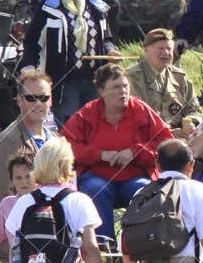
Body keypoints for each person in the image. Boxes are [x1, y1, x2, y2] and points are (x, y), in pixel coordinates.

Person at [62, 63, 169, 239]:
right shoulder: (87, 114)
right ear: (101, 91)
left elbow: (166, 143)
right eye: (116, 87)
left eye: (125, 86)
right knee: (97, 189)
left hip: (134, 177)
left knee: (142, 190)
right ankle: (105, 250)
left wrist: (135, 152)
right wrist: (99, 155)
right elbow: (65, 146)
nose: (123, 91)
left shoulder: (141, 110)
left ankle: (141, 246)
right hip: (96, 177)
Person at [21, 0, 112, 119]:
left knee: (95, 120)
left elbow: (106, 39)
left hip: (94, 79)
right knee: (69, 122)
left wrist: (111, 51)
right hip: (63, 81)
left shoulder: (96, 6)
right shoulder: (48, 8)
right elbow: (32, 41)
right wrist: (29, 67)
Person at [0, 68, 57, 205]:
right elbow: (2, 197)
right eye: (31, 98)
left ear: (50, 101)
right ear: (19, 100)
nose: (38, 104)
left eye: (44, 98)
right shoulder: (8, 141)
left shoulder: (56, 139)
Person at [126, 28, 202, 138]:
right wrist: (166, 132)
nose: (165, 53)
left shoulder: (180, 77)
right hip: (145, 138)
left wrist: (190, 122)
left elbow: (194, 110)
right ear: (146, 50)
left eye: (169, 49)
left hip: (179, 137)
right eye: (160, 48)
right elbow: (135, 118)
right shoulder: (132, 77)